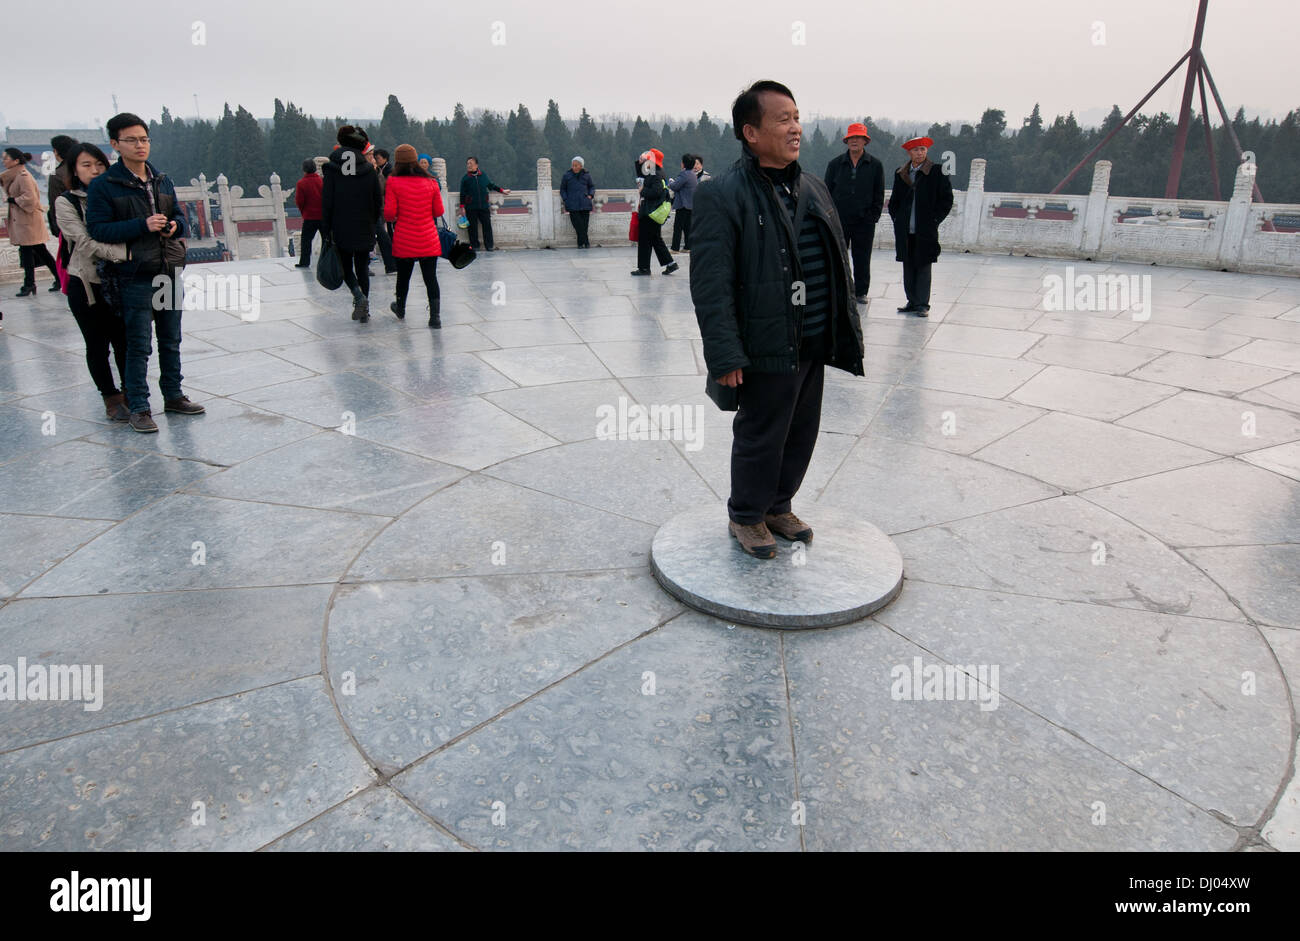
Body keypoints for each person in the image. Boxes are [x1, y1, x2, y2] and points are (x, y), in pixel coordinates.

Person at [690, 80, 864, 558]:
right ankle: (746, 514)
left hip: (813, 338)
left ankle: (777, 504)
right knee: (761, 431)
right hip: (764, 341)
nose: (795, 128)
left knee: (800, 430)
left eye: (797, 117)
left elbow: (837, 263)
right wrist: (725, 353)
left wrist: (842, 329)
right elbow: (711, 284)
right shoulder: (723, 195)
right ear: (751, 132)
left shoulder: (814, 186)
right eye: (783, 119)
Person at [85, 112, 204, 433]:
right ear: (115, 144)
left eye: (144, 139)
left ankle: (174, 395)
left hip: (167, 269)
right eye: (132, 140)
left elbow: (179, 215)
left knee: (171, 339)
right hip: (134, 274)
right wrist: (142, 225)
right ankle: (139, 406)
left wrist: (175, 225)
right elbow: (97, 229)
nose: (140, 146)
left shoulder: (161, 179)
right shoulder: (104, 186)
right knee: (138, 344)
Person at [54, 142, 130, 421]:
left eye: (99, 164)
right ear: (74, 170)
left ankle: (130, 392)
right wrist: (122, 253)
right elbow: (82, 241)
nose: (95, 170)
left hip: (122, 281)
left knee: (125, 342)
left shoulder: (116, 194)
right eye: (86, 165)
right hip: (87, 283)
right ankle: (110, 397)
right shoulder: (67, 202)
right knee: (97, 343)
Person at [321, 125, 382, 321]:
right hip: (364, 224)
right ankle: (365, 308)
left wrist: (326, 227)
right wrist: (373, 223)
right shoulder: (369, 170)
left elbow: (327, 201)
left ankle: (357, 295)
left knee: (346, 266)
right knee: (362, 267)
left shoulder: (331, 169)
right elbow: (377, 201)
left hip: (341, 224)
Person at [887, 135, 953, 316]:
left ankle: (922, 304)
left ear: (927, 151)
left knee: (924, 265)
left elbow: (946, 200)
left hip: (925, 229)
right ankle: (912, 301)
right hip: (905, 228)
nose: (920, 152)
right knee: (908, 266)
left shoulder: (938, 171)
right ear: (909, 152)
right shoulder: (901, 173)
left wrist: (934, 220)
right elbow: (894, 201)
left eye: (923, 149)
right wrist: (897, 219)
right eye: (916, 149)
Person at [383, 144, 445, 328]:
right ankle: (435, 317)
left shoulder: (393, 182)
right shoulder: (431, 182)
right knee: (430, 278)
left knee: (403, 277)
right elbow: (438, 210)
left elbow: (389, 214)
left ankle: (400, 308)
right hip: (428, 237)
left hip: (404, 237)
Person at [824, 123, 884, 305]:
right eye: (851, 138)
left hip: (864, 221)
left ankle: (860, 292)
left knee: (862, 258)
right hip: (840, 220)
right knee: (838, 257)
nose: (854, 141)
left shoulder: (875, 165)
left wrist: (872, 216)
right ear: (847, 141)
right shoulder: (835, 164)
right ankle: (839, 289)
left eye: (858, 138)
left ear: (865, 141)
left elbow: (878, 194)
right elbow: (826, 192)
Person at [2, 149, 60, 296]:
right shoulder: (15, 176)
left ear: (16, 161)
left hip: (27, 221)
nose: (4, 161)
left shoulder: (23, 176)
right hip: (23, 221)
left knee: (29, 253)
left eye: (6, 158)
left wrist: (12, 200)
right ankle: (56, 278)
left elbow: (31, 199)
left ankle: (29, 285)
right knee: (40, 251)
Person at [630, 149, 676, 276]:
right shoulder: (652, 171)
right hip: (650, 211)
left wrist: (642, 190)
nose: (644, 161)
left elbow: (656, 192)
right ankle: (671, 264)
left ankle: (644, 268)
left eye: (647, 158)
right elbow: (641, 174)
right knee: (655, 238)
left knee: (645, 239)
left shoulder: (656, 174)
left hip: (651, 212)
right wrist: (639, 162)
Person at [458, 156, 510, 251]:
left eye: (471, 163)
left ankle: (489, 245)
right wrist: (462, 207)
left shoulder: (483, 175)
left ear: (476, 165)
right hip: (471, 207)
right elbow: (462, 194)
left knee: (487, 226)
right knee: (472, 228)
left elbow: (491, 185)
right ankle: (475, 246)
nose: (469, 165)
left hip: (484, 206)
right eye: (468, 164)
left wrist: (502, 190)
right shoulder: (465, 179)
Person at [366, 149, 397, 274]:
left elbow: (381, 188)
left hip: (375, 210)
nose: (373, 157)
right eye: (370, 154)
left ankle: (391, 265)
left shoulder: (384, 170)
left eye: (375, 156)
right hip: (368, 210)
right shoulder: (362, 169)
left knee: (383, 237)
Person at [293, 158, 323, 268]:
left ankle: (305, 262)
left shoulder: (301, 183)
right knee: (326, 240)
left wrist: (304, 212)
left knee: (306, 240)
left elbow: (299, 201)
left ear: (304, 170)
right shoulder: (321, 181)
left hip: (310, 216)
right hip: (323, 216)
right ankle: (325, 259)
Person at [559, 156, 595, 248]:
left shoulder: (586, 175)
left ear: (581, 166)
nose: (574, 167)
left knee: (584, 225)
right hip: (572, 204)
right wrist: (566, 199)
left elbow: (591, 186)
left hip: (585, 203)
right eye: (573, 165)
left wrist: (590, 195)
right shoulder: (567, 175)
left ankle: (581, 244)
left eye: (576, 165)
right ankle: (585, 241)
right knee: (577, 224)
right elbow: (562, 189)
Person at [667, 152, 699, 252]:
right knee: (687, 227)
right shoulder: (693, 175)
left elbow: (675, 186)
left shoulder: (684, 174)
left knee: (678, 227)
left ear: (684, 164)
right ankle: (687, 247)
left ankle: (675, 248)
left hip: (683, 205)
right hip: (690, 204)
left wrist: (671, 181)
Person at [47, 134, 77, 237]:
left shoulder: (57, 174)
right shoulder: (81, 168)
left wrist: (56, 227)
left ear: (56, 152)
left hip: (68, 222)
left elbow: (54, 202)